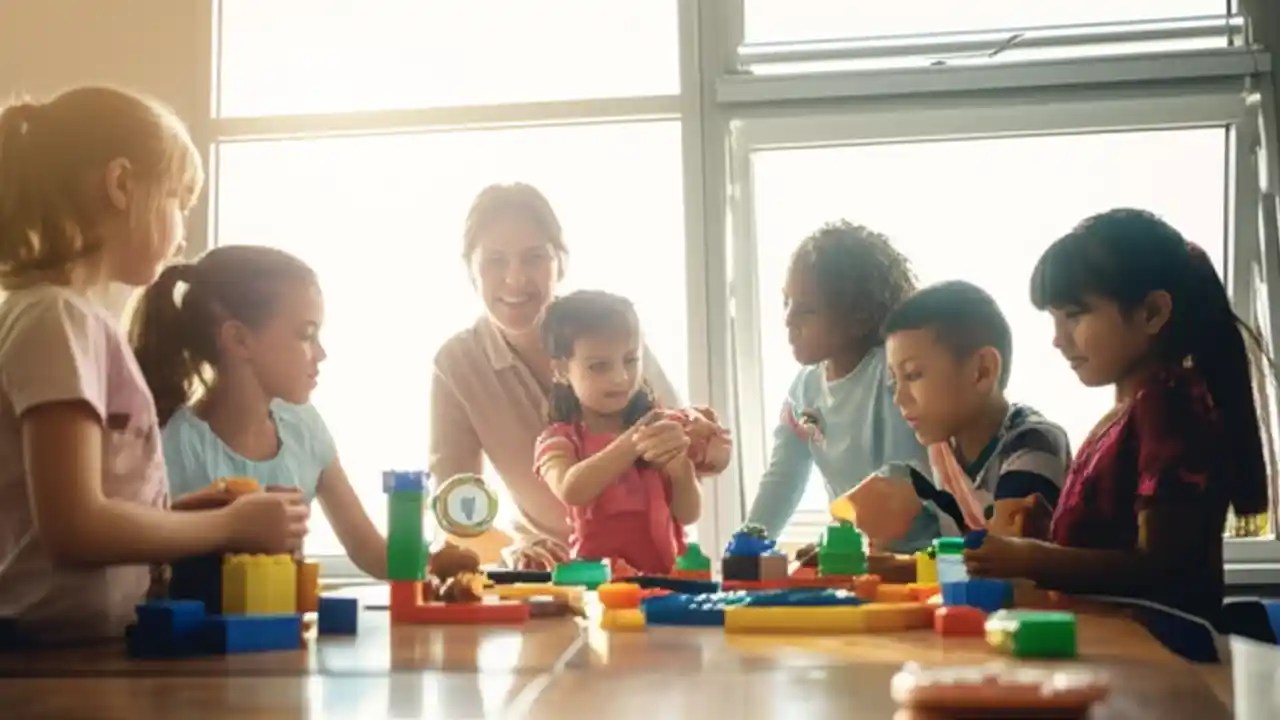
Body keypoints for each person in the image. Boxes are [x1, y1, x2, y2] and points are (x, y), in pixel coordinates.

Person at [0, 88, 307, 644]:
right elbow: (72, 527)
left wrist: (182, 515)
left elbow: (85, 511)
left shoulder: (75, 321)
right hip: (42, 652)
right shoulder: (56, 320)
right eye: (178, 201)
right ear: (121, 184)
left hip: (80, 645)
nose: (183, 229)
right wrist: (228, 525)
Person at [965, 208, 1271, 626]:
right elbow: (1114, 545)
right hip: (1118, 643)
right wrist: (1050, 532)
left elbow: (1165, 570)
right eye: (1054, 319)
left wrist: (1035, 558)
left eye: (1074, 315)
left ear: (1152, 313)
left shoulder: (1171, 407)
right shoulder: (1130, 412)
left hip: (1163, 651)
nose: (1058, 339)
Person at [431, 183, 685, 569]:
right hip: (549, 573)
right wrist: (511, 549)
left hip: (648, 562)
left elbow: (681, 447)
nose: (515, 278)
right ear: (470, 270)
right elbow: (453, 504)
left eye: (534, 257)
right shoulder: (457, 364)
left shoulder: (609, 332)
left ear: (560, 263)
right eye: (495, 261)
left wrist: (695, 444)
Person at [132, 246, 388, 578]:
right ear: (239, 340)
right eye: (306, 335)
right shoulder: (179, 446)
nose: (321, 353)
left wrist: (433, 563)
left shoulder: (304, 427)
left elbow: (368, 549)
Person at [745, 220, 937, 553]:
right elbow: (783, 478)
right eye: (786, 302)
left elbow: (901, 478)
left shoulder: (892, 375)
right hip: (858, 555)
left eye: (806, 310)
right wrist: (748, 545)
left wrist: (833, 541)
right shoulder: (804, 390)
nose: (788, 319)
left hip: (919, 558)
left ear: (859, 316)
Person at [533, 291, 728, 573]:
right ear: (562, 370)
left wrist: (681, 469)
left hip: (667, 580)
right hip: (599, 585)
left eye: (630, 360)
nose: (620, 377)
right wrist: (633, 442)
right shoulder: (559, 440)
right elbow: (570, 490)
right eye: (599, 366)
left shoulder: (662, 426)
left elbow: (688, 515)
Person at [871, 280, 1071, 542]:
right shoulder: (942, 452)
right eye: (894, 381)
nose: (899, 397)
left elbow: (1008, 555)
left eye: (913, 374)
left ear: (982, 371)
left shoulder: (1033, 443)